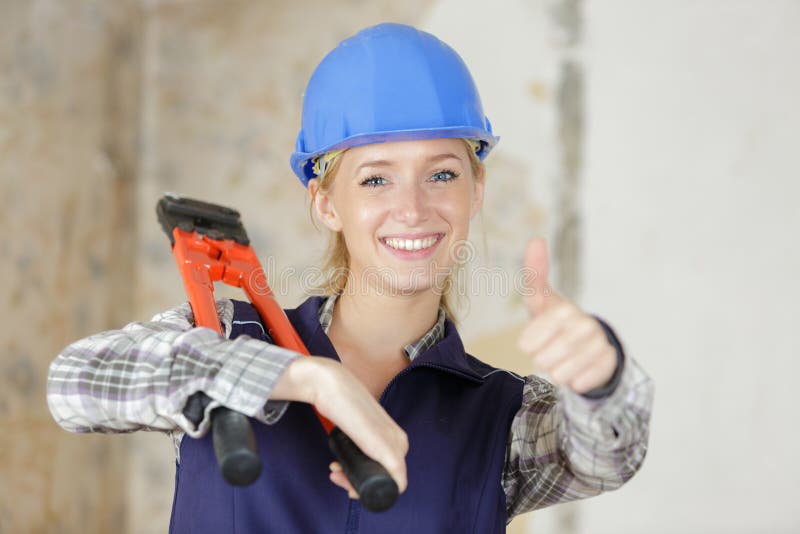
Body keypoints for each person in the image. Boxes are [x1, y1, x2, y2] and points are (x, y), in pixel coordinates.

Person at [47, 23, 653, 533]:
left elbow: (606, 456)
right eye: (375, 178)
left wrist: (601, 380)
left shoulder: (505, 414)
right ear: (325, 203)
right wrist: (302, 377)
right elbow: (74, 384)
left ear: (476, 192)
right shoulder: (222, 340)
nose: (412, 209)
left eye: (441, 175)